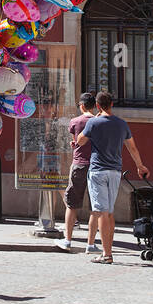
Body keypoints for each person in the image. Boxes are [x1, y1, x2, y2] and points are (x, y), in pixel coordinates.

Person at [74, 90, 149, 265]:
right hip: (115, 171)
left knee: (101, 213)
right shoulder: (122, 124)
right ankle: (108, 251)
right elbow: (132, 148)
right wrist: (140, 166)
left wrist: (94, 121)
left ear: (98, 106)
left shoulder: (94, 123)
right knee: (109, 212)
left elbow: (80, 140)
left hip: (98, 171)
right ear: (112, 104)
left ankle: (107, 255)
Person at [58, 91, 101, 253]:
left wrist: (75, 144)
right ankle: (91, 244)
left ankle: (67, 240)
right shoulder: (99, 121)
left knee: (71, 204)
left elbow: (77, 140)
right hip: (97, 165)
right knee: (95, 207)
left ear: (82, 106)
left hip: (79, 164)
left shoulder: (75, 121)